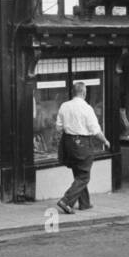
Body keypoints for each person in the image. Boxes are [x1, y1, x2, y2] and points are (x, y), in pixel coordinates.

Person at [54, 81, 109, 214]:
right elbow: (95, 130)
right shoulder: (87, 108)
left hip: (68, 143)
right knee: (84, 176)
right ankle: (66, 201)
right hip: (83, 143)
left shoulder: (64, 106)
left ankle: (85, 203)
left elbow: (58, 127)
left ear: (73, 92)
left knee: (79, 173)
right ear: (84, 93)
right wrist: (105, 141)